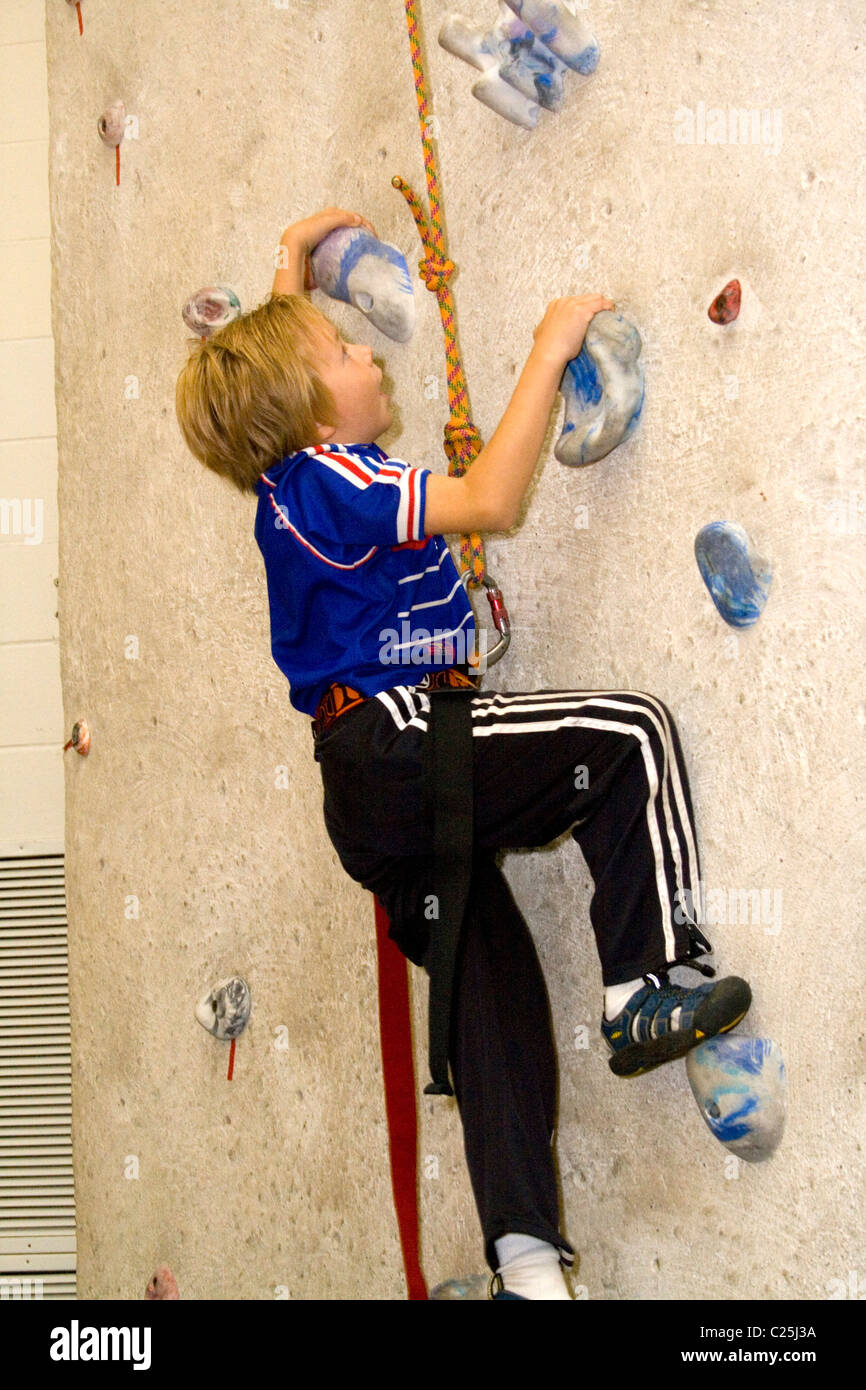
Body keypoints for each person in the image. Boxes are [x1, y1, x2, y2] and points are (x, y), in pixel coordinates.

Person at [175, 206, 753, 1301]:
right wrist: (548, 345)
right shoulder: (331, 475)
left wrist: (290, 272)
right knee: (623, 734)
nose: (368, 353)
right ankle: (647, 978)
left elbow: (270, 372)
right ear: (301, 409)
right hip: (397, 742)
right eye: (345, 351)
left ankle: (526, 1268)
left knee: (490, 1008)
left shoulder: (290, 490)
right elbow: (487, 495)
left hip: (378, 796)